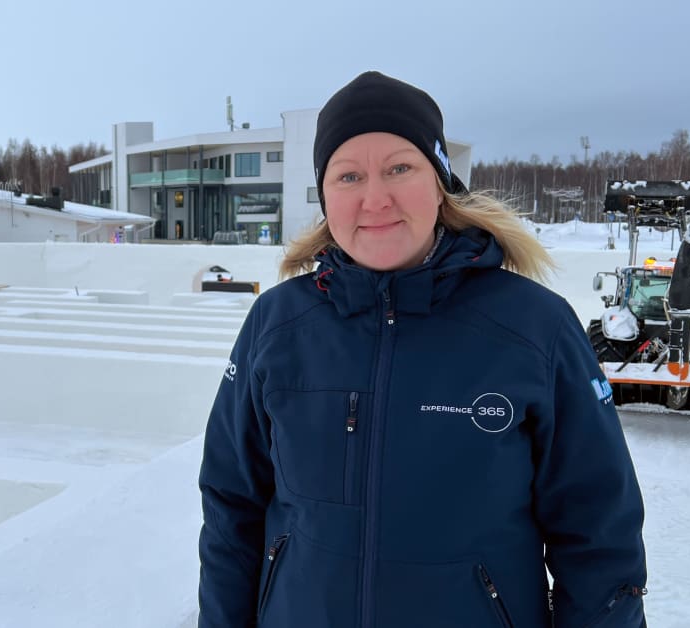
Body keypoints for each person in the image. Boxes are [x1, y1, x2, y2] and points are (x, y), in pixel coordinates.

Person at [197, 71, 647, 628]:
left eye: (399, 168)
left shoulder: (537, 328)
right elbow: (230, 510)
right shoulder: (278, 322)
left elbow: (599, 536)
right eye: (348, 176)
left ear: (440, 183)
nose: (374, 198)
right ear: (325, 196)